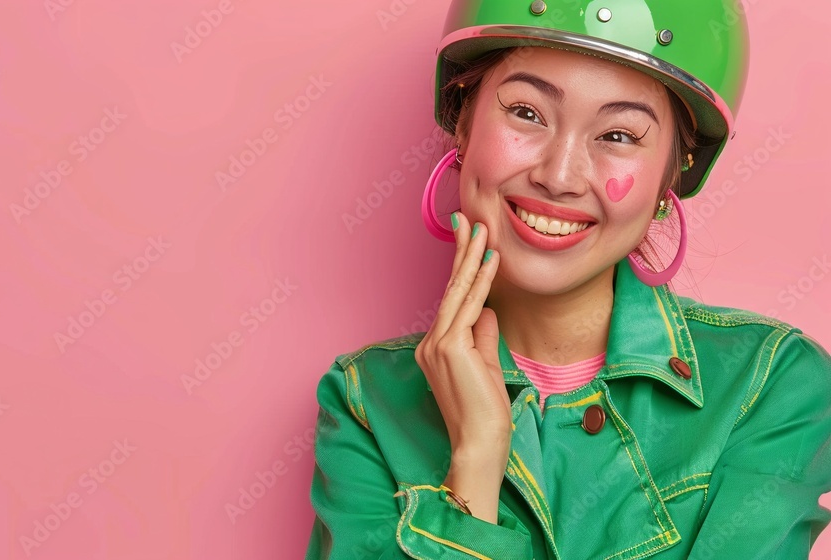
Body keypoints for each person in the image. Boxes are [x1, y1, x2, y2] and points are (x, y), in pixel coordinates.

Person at [304, 0, 831, 558]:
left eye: (619, 136)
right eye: (527, 113)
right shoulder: (366, 404)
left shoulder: (770, 384)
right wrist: (475, 464)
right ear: (463, 123)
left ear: (671, 177)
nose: (558, 177)